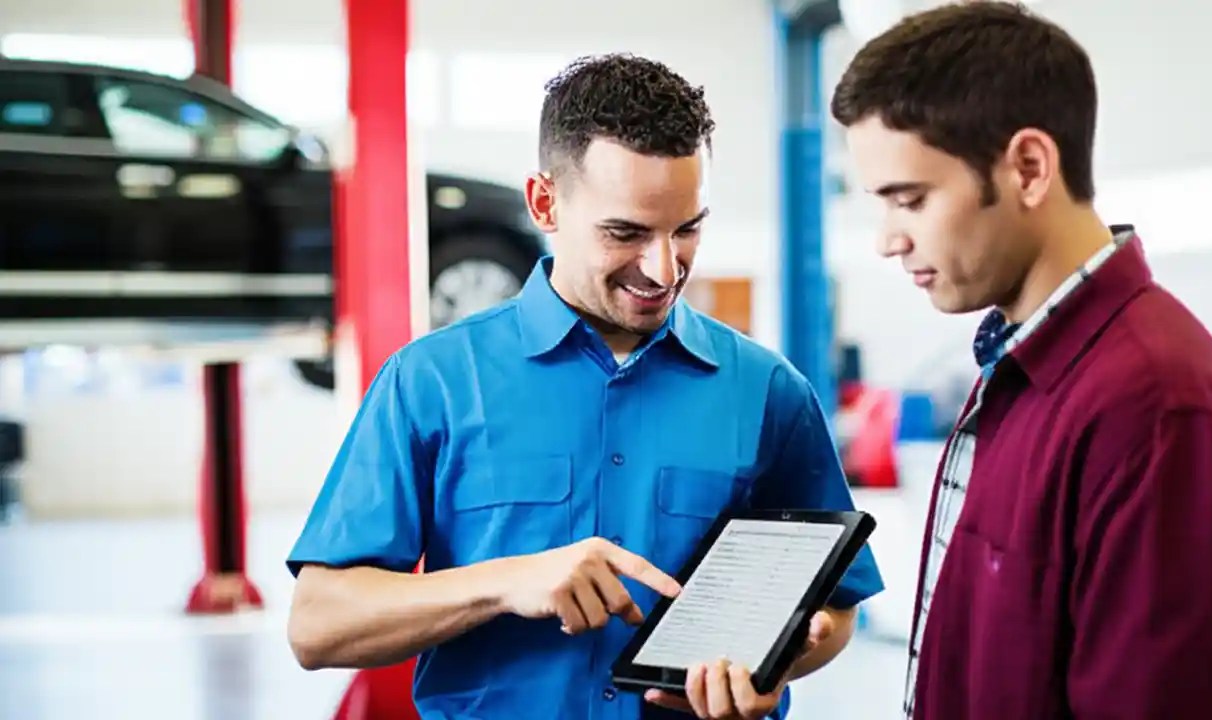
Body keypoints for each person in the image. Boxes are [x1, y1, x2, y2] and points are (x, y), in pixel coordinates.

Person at [286, 52, 884, 720]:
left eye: (687, 228)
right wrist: (506, 583)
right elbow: (317, 624)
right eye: (624, 232)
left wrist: (780, 660)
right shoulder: (433, 382)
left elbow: (833, 607)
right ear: (545, 201)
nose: (663, 268)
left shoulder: (769, 391)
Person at [829, 2, 1212, 718]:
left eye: (909, 200)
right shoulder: (1022, 378)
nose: (888, 240)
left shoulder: (1158, 413)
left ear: (1030, 168)